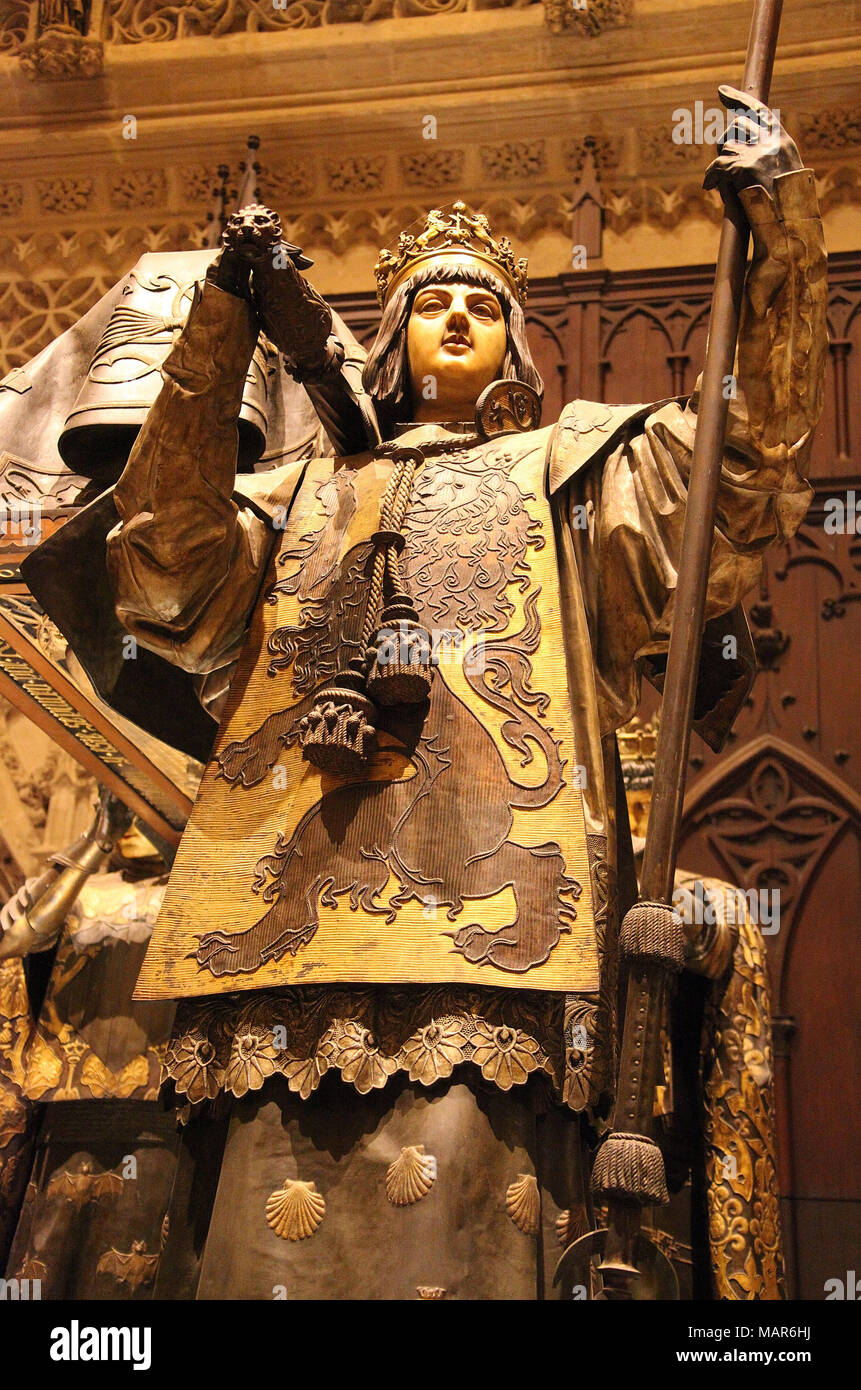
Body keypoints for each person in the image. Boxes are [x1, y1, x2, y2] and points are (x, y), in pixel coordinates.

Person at [48, 89, 828, 1299]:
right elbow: (161, 564)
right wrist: (219, 327)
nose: (458, 317)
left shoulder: (579, 473)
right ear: (389, 335)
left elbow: (747, 459)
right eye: (431, 302)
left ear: (516, 346)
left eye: (484, 305)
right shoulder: (294, 494)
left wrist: (780, 231)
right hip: (283, 952)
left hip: (498, 951)